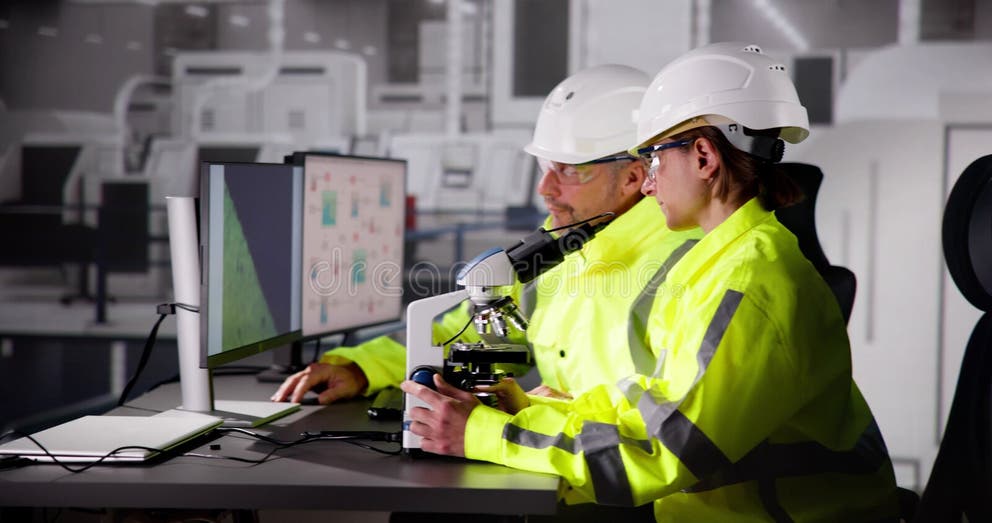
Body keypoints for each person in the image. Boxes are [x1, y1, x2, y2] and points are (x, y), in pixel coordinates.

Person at [402, 42, 901, 522]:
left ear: (704, 158)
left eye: (656, 159)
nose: (649, 181)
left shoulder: (749, 284)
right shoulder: (720, 258)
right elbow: (655, 403)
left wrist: (483, 436)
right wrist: (528, 410)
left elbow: (657, 453)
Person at [271, 64, 702, 410]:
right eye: (545, 167)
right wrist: (361, 368)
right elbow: (462, 330)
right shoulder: (560, 248)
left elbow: (677, 419)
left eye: (569, 170)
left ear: (633, 176)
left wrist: (551, 415)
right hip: (555, 463)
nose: (545, 189)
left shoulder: (687, 263)